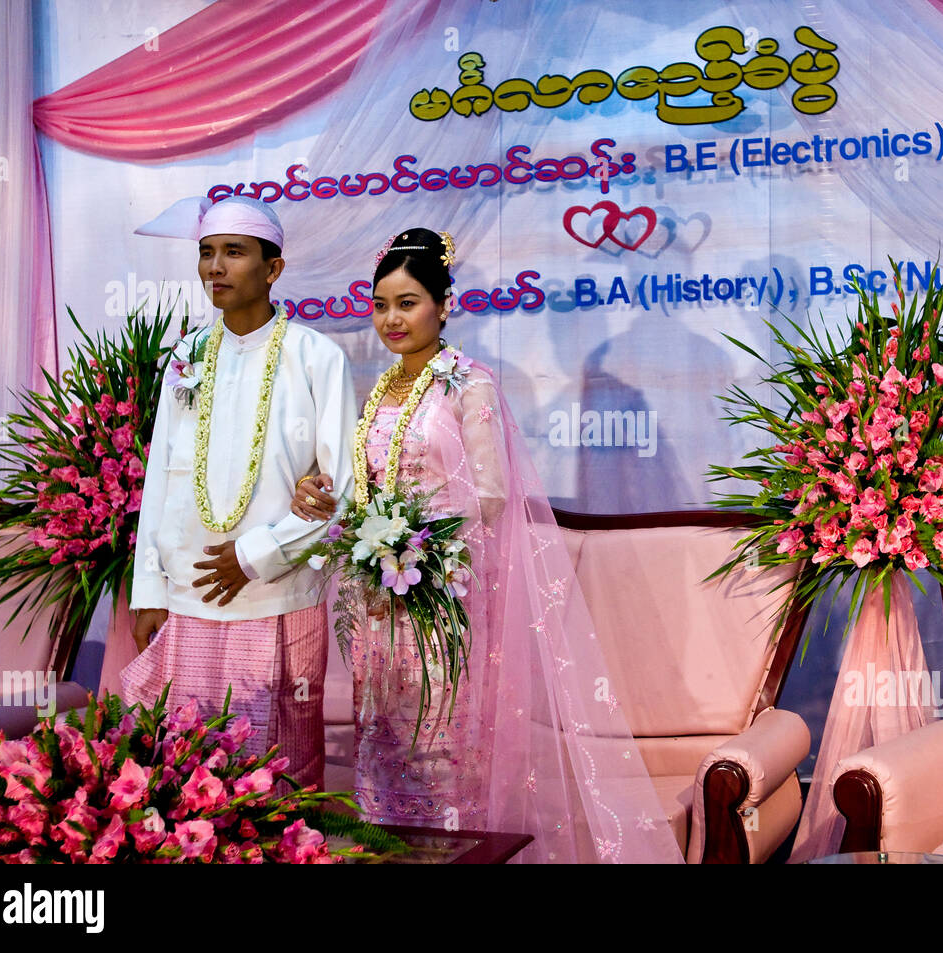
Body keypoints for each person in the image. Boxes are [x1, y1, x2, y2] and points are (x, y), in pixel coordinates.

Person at [292, 228, 682, 862]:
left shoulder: (468, 385)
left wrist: (419, 547)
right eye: (382, 303)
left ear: (445, 305)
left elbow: (491, 496)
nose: (392, 318)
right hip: (378, 604)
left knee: (439, 751)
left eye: (409, 302)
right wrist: (337, 508)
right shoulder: (379, 392)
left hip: (442, 600)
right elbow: (360, 488)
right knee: (382, 746)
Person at [122, 196, 357, 790]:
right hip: (189, 596)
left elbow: (342, 492)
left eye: (234, 252)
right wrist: (150, 587)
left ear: (273, 268)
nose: (214, 268)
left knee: (272, 781)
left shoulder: (317, 357)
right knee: (185, 778)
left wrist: (256, 557)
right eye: (206, 253)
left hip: (277, 595)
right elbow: (161, 480)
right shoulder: (187, 357)